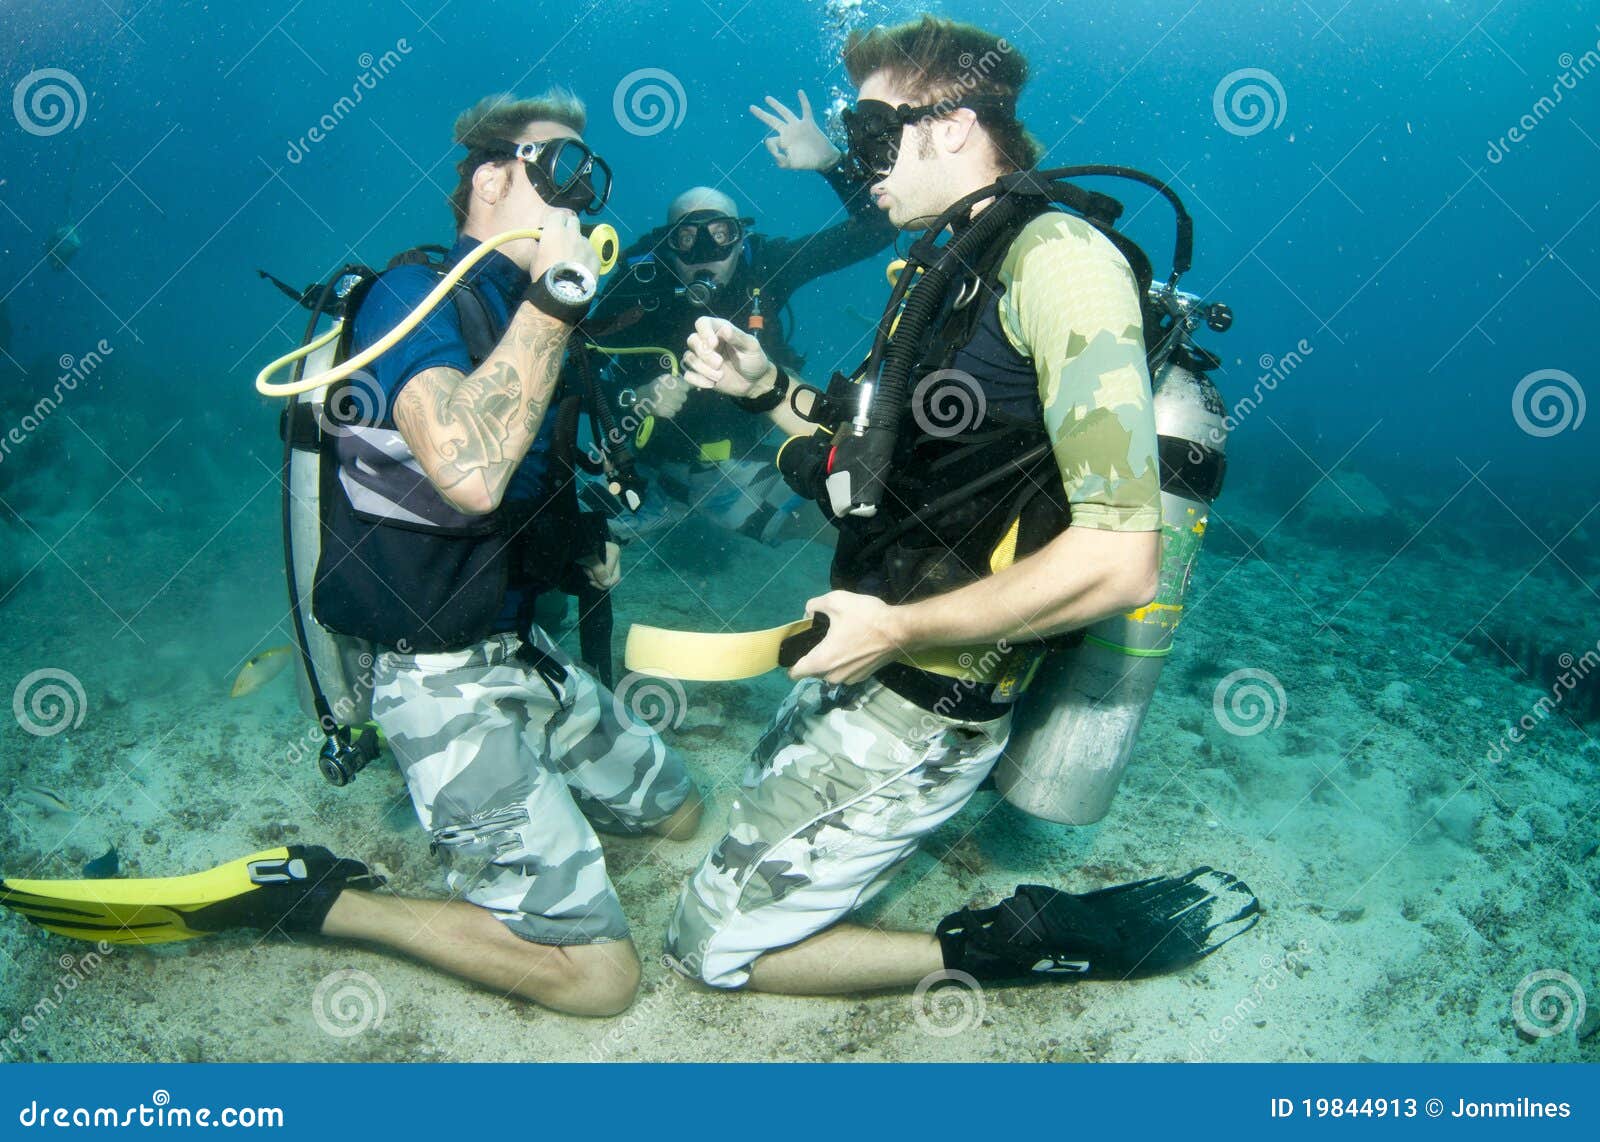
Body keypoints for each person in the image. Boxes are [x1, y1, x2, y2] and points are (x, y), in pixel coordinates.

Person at [1, 92, 701, 1017]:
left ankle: (530, 789)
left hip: (521, 655)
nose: (583, 204)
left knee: (683, 812)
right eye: (562, 174)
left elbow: (535, 493)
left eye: (593, 182)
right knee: (600, 979)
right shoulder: (411, 298)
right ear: (492, 177)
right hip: (435, 676)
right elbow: (471, 473)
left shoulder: (526, 313)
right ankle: (324, 899)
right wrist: (561, 295)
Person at [663, 17, 1258, 995]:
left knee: (708, 949)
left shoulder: (1058, 262)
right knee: (750, 833)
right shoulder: (953, 264)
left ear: (950, 126)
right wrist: (766, 387)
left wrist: (893, 629)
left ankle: (1023, 940)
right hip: (877, 652)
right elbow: (875, 464)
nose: (860, 168)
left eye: (867, 139)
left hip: (929, 694)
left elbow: (1120, 562)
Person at [584, 91, 894, 545]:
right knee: (557, 542)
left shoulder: (767, 265)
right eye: (688, 239)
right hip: (649, 472)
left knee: (858, 524)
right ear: (668, 242)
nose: (705, 255)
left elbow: (876, 230)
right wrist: (633, 396)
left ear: (740, 238)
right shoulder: (641, 280)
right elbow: (574, 362)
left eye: (721, 236)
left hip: (742, 468)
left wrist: (832, 164)